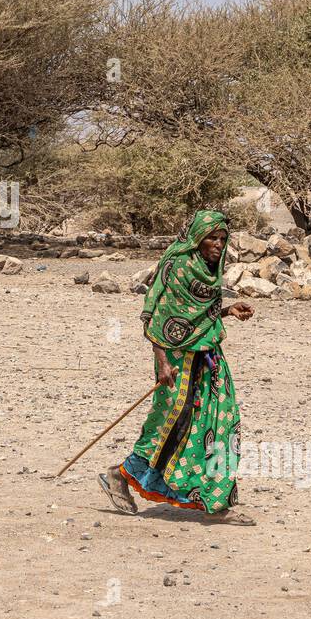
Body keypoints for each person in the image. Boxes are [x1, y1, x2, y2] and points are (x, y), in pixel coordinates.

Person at [99, 209, 256, 524]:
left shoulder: (210, 270)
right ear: (198, 238)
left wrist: (226, 311)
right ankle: (120, 475)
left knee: (219, 423)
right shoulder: (180, 267)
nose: (218, 244)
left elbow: (198, 315)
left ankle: (215, 500)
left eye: (223, 239)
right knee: (170, 424)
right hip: (174, 358)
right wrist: (162, 362)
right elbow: (159, 315)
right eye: (212, 237)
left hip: (208, 356)